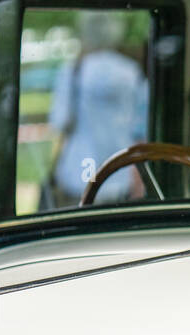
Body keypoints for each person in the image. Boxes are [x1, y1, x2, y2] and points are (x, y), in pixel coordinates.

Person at [43, 11, 148, 207]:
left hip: (79, 175)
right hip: (120, 174)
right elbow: (140, 128)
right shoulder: (131, 72)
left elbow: (60, 121)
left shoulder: (74, 70)